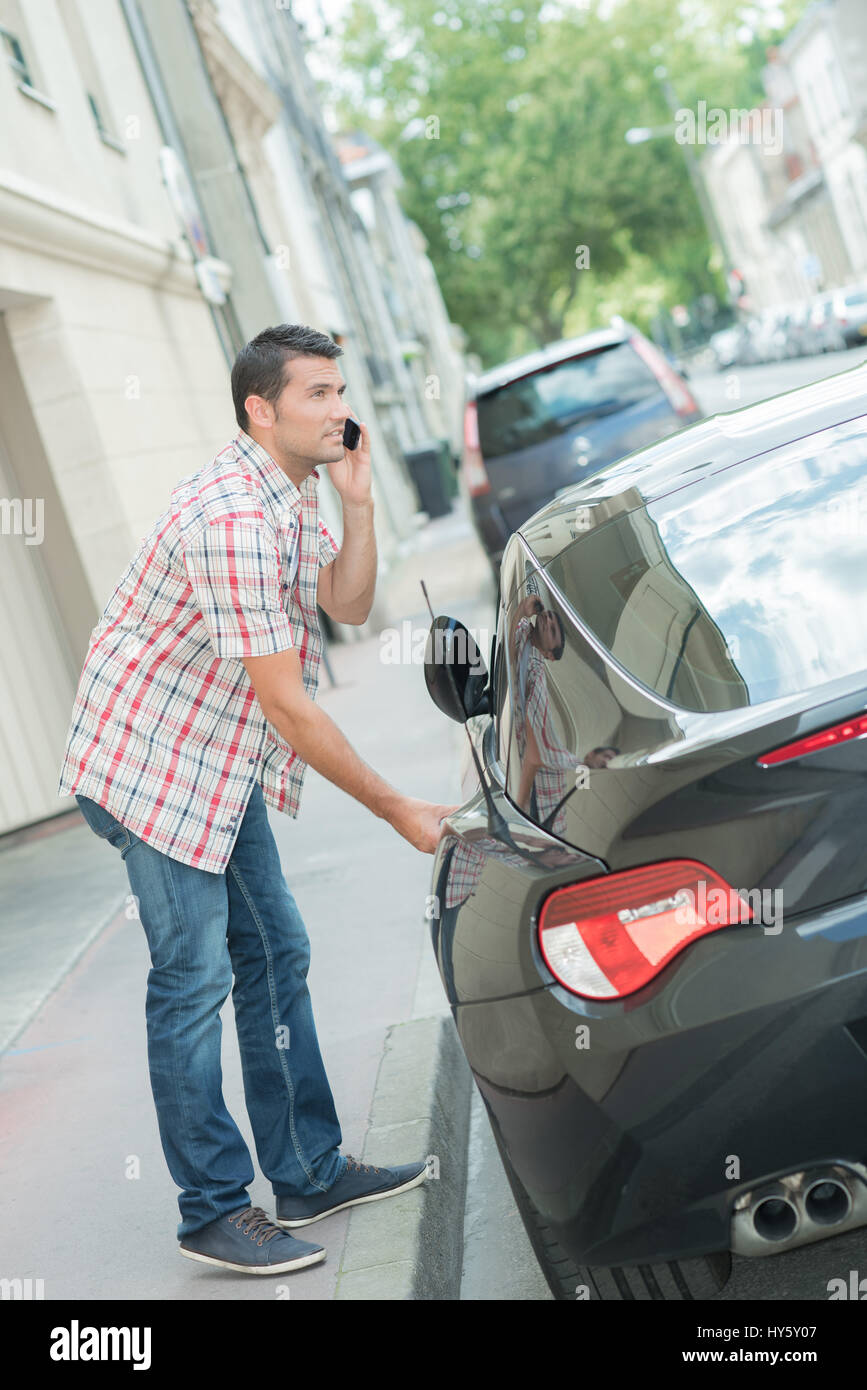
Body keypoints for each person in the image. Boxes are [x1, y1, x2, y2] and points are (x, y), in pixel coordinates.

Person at [57, 323, 459, 1278]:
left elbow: (350, 607)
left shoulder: (291, 492)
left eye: (340, 390)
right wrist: (396, 804)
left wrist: (359, 509)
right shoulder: (232, 518)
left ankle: (309, 1168)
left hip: (215, 762)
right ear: (260, 409)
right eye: (317, 393)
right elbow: (286, 705)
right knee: (193, 981)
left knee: (275, 952)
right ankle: (211, 1207)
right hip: (148, 769)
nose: (340, 409)